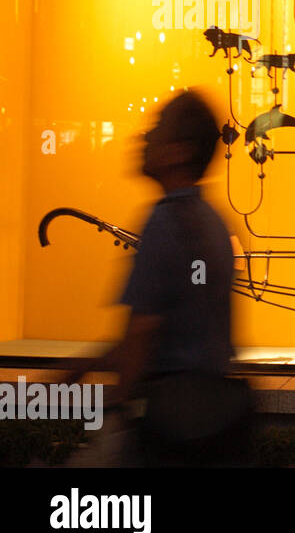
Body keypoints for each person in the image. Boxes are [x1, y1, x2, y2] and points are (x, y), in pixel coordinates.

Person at [67, 89, 249, 466]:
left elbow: (142, 332)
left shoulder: (163, 222)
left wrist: (115, 406)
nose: (144, 138)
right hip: (217, 420)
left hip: (172, 423)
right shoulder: (215, 222)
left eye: (156, 130)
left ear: (179, 151)